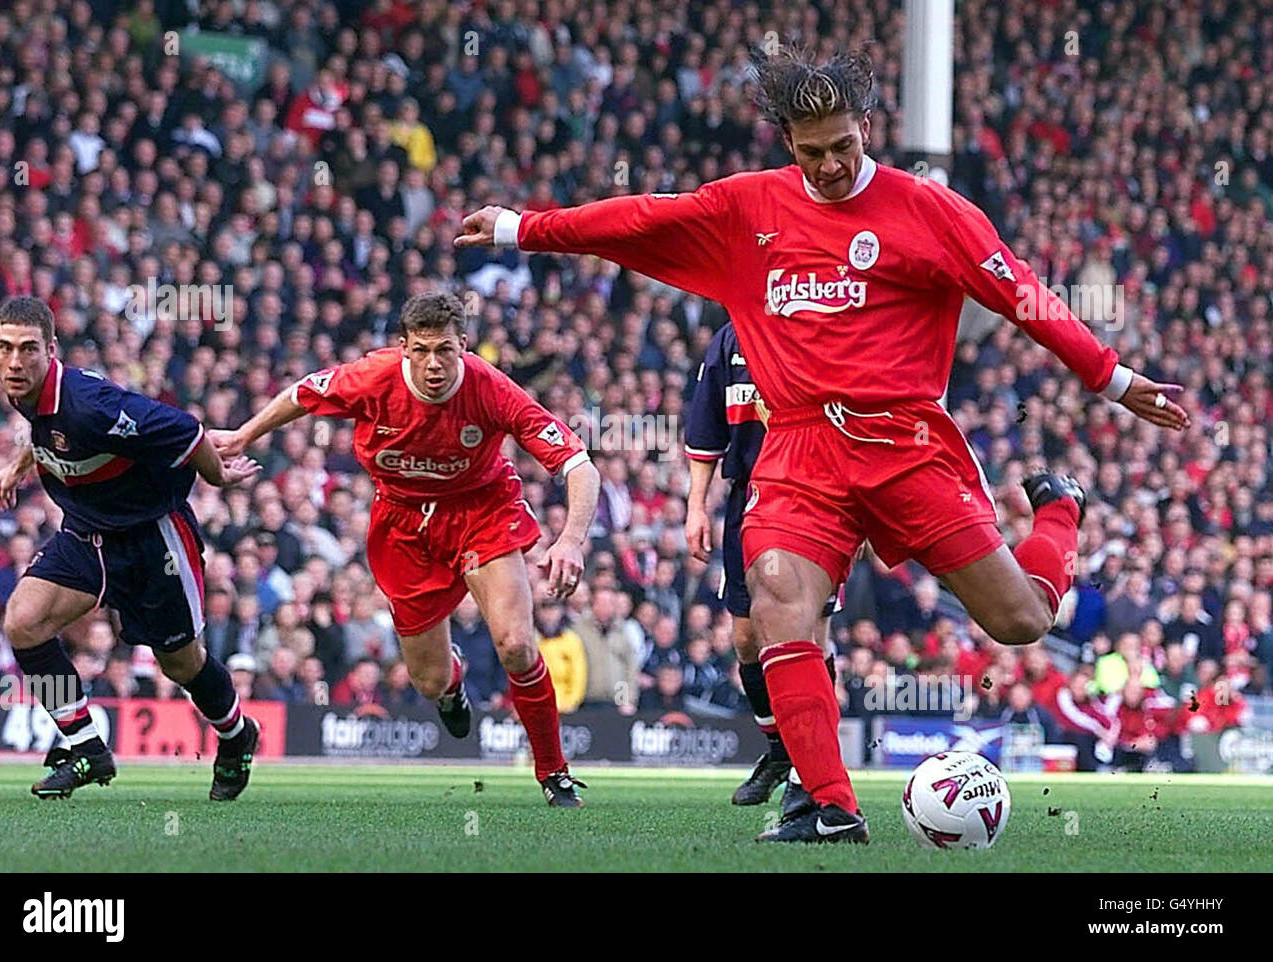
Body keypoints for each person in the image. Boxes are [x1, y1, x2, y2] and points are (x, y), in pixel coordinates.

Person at [456, 48, 1189, 842]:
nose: (833, 164)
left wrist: (1113, 379)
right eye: (813, 152)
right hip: (799, 447)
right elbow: (640, 219)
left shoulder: (929, 209)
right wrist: (522, 228)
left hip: (907, 444)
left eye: (845, 145)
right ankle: (832, 807)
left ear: (867, 128)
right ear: (787, 145)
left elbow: (1020, 293)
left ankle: (1061, 511)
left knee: (1019, 620)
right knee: (777, 598)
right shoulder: (746, 210)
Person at [210, 292, 602, 806]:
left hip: (481, 511)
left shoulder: (492, 389)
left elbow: (579, 464)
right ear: (404, 348)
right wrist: (243, 435)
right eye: (421, 350)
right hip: (402, 526)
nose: (433, 363)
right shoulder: (373, 377)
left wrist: (571, 539)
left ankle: (554, 773)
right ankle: (453, 682)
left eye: (444, 349)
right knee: (428, 679)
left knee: (516, 645)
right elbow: (304, 394)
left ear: (464, 345)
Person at [0, 296, 262, 800]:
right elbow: (48, 435)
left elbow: (188, 430)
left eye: (27, 349)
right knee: (23, 623)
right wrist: (17, 468)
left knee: (180, 664)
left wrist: (218, 476)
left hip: (153, 536)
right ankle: (87, 748)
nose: (15, 361)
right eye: (4, 348)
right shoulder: (25, 388)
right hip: (88, 533)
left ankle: (237, 734)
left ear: (51, 349)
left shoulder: (92, 406)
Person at [685, 321, 835, 820]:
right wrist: (695, 507)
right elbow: (706, 431)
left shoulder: (824, 325)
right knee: (747, 639)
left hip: (817, 497)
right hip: (748, 499)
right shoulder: (729, 340)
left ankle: (809, 774)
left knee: (808, 637)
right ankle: (780, 751)